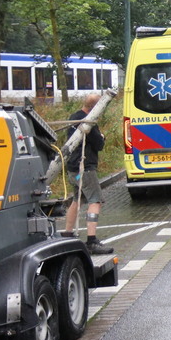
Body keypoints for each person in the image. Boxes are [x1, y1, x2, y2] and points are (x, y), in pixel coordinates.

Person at [62, 93, 113, 255]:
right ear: (94, 108)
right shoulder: (88, 122)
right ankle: (91, 241)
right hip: (85, 169)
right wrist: (102, 137)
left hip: (73, 170)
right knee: (95, 200)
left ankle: (67, 234)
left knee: (78, 199)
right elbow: (99, 144)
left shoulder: (74, 117)